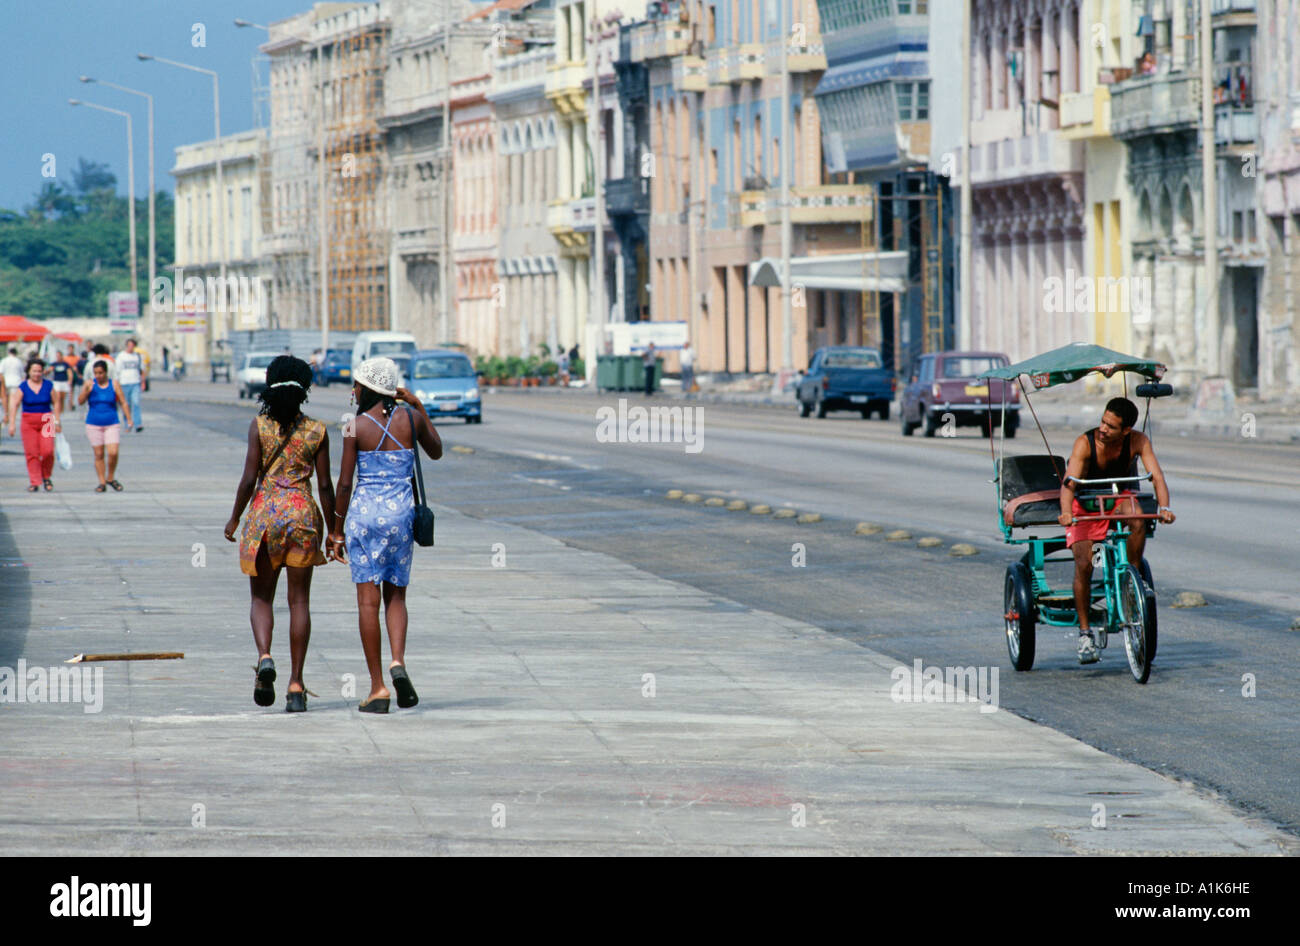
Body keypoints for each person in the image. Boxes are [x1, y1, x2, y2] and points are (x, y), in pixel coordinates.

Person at [224, 356, 337, 712]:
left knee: (261, 600)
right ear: (304, 389)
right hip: (302, 517)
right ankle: (296, 685)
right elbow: (325, 485)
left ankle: (265, 656)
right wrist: (335, 530)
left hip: (264, 519)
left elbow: (247, 479)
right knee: (299, 602)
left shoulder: (259, 426)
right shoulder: (317, 430)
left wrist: (233, 519)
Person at [332, 357, 442, 714]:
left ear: (366, 389)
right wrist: (418, 405)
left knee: (368, 603)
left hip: (364, 520)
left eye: (357, 385)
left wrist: (336, 531)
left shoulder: (353, 427)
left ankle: (378, 687)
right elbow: (436, 451)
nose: (354, 391)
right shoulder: (410, 419)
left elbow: (345, 483)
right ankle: (398, 661)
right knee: (397, 596)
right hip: (400, 518)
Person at [1058, 397, 1175, 664]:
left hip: (1117, 497)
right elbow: (1068, 484)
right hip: (1086, 503)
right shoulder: (1084, 443)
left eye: (1111, 426)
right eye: (1103, 422)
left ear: (1125, 431)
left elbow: (1156, 476)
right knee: (1085, 565)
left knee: (1137, 517)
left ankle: (1131, 578)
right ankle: (1085, 634)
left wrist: (1165, 506)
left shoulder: (1138, 441)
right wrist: (1066, 512)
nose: (1103, 429)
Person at [78, 359, 132, 492]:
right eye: (95, 373)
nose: (98, 376)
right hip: (93, 424)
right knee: (99, 454)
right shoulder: (89, 384)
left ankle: (110, 477)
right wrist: (86, 391)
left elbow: (123, 402)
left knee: (113, 452)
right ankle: (102, 482)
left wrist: (129, 419)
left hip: (112, 423)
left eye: (100, 373)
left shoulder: (114, 384)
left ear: (106, 372)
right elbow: (80, 402)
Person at [9, 358, 60, 492]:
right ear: (29, 372)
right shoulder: (23, 386)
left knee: (48, 451)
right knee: (32, 453)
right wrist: (12, 423)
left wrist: (57, 420)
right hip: (28, 421)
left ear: (43, 372)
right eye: (34, 371)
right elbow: (15, 404)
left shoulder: (49, 385)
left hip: (47, 420)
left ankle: (46, 476)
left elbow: (57, 402)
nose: (37, 374)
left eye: (39, 371)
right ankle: (35, 481)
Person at [116, 338, 145, 432]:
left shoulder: (137, 356)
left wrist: (143, 382)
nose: (130, 347)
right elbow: (117, 371)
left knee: (136, 403)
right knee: (126, 405)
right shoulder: (121, 356)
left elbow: (142, 370)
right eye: (129, 345)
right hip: (124, 383)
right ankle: (128, 423)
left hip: (135, 382)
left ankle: (138, 424)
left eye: (132, 345)